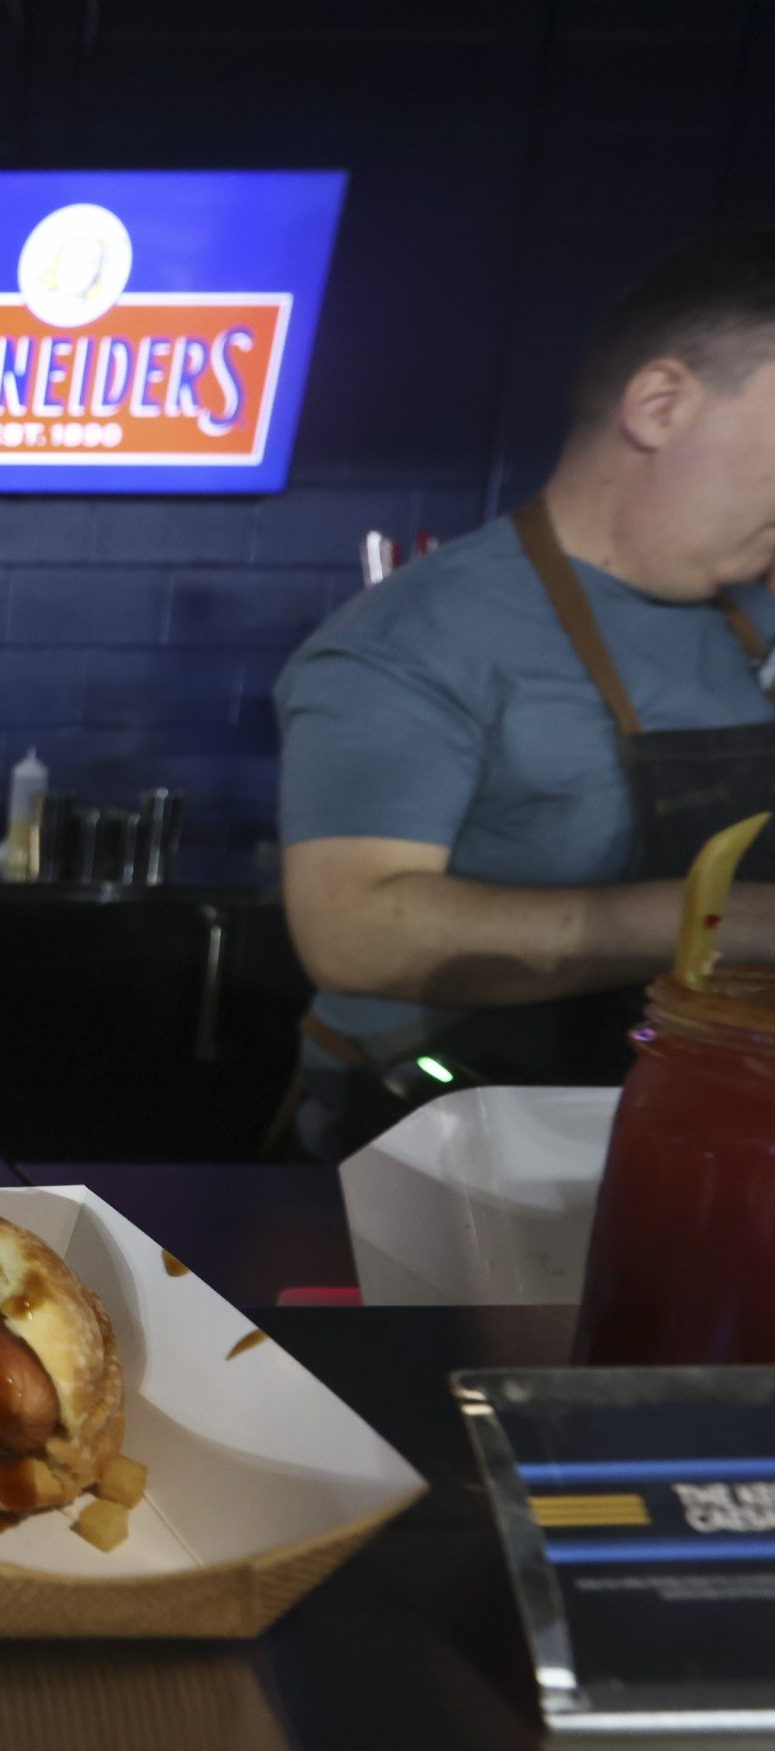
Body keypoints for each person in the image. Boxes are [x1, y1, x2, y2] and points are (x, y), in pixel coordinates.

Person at [277, 229, 775, 1158]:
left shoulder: (750, 614)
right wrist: (732, 921)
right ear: (661, 404)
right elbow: (353, 931)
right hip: (451, 1139)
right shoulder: (413, 641)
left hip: (702, 1123)